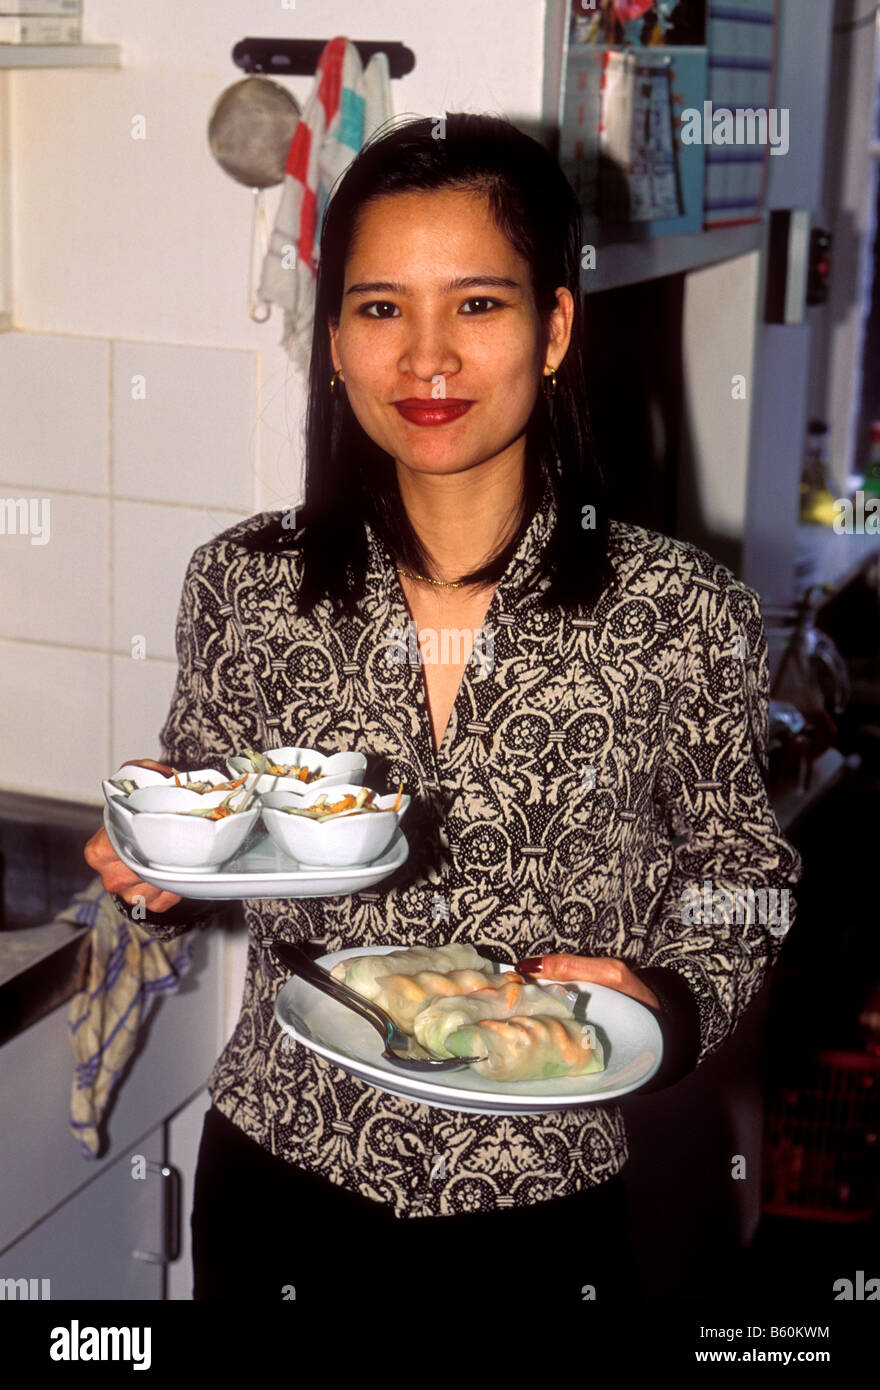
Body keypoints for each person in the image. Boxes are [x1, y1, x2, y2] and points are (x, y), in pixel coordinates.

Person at [85, 113, 801, 1306]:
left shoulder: (681, 611)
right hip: (281, 1177)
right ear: (333, 342)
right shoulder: (246, 585)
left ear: (556, 325)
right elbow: (212, 840)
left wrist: (670, 1002)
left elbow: (745, 874)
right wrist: (158, 881)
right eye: (380, 309)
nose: (426, 358)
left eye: (477, 305)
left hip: (541, 1212)